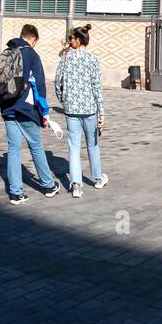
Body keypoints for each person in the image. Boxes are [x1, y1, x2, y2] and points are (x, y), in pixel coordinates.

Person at [0, 23, 61, 205]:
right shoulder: (32, 55)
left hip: (7, 107)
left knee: (13, 149)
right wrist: (44, 112)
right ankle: (48, 185)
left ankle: (16, 193)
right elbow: (38, 86)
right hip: (26, 109)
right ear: (33, 39)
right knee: (36, 146)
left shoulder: (7, 51)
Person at [53, 24, 107, 198]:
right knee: (93, 145)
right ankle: (98, 178)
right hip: (90, 109)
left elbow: (57, 83)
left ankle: (76, 185)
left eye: (71, 38)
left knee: (74, 147)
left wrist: (64, 99)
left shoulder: (65, 58)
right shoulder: (93, 59)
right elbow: (97, 87)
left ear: (78, 40)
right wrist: (102, 113)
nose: (69, 41)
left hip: (71, 109)